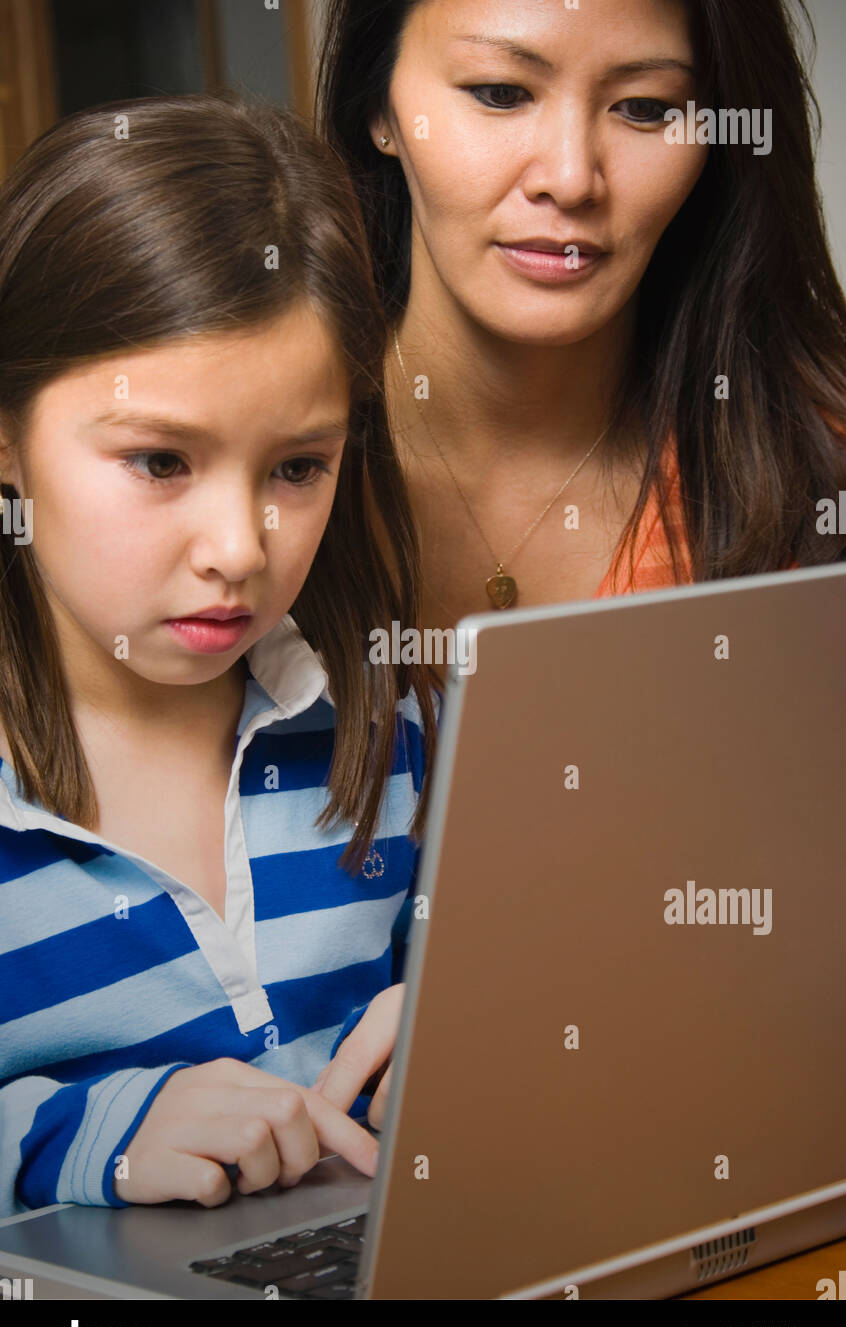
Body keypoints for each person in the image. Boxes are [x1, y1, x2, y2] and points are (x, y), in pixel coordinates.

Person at [311, 0, 846, 1111]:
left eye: (647, 108)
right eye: (500, 93)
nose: (571, 175)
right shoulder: (231, 487)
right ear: (379, 108)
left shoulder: (811, 469)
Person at [0, 92, 437, 1217]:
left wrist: (479, 1020)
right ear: (7, 440)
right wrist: (86, 1131)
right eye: (159, 461)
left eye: (298, 468)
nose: (241, 549)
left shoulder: (388, 728)